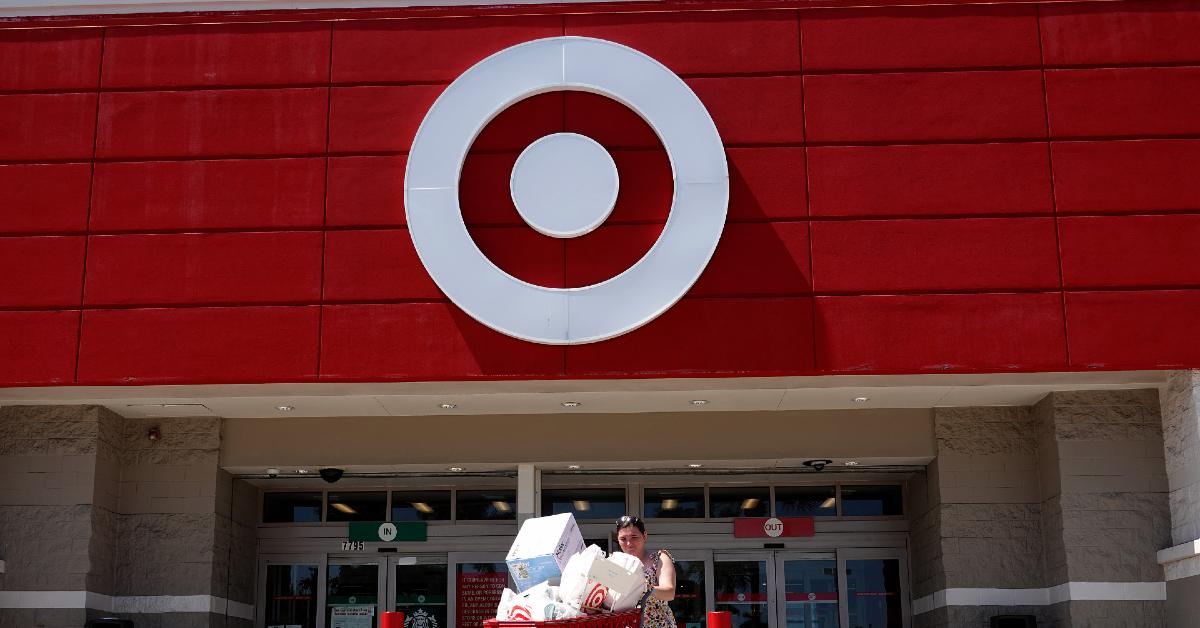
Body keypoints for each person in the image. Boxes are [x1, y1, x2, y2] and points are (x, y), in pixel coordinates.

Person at [615, 515, 676, 628]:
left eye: (634, 537)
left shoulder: (660, 558)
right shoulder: (614, 564)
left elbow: (669, 592)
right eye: (623, 539)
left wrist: (641, 587)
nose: (629, 543)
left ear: (644, 536)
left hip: (658, 624)